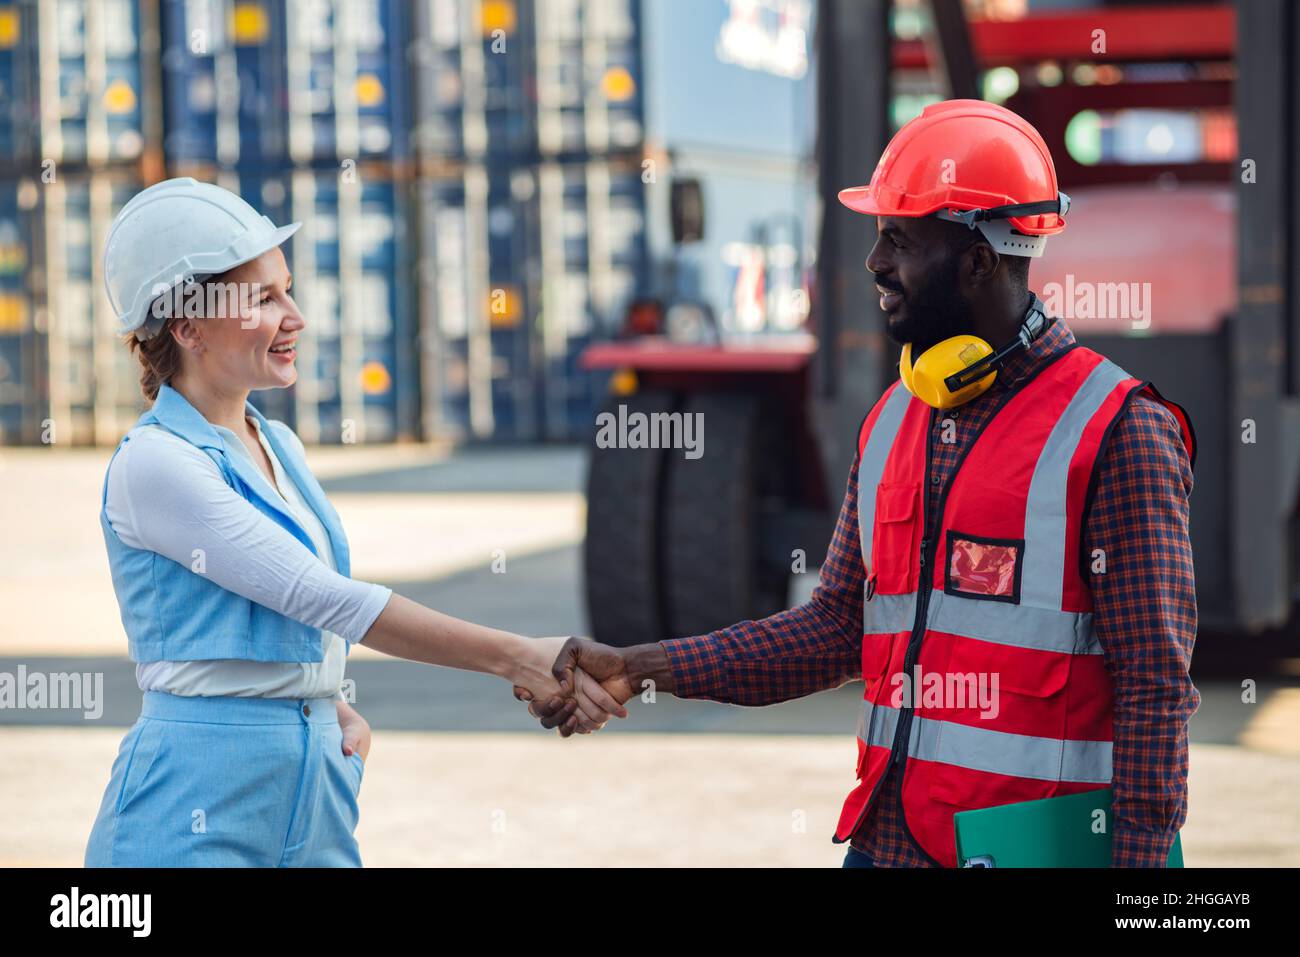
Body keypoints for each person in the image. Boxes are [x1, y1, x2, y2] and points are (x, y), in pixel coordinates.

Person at [525, 101, 1199, 868]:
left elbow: (1155, 684)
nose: (876, 262)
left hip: (1027, 852)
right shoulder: (893, 421)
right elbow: (837, 629)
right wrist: (643, 665)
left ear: (978, 261)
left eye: (899, 240)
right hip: (886, 842)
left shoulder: (1116, 429)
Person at [85, 178, 620, 867]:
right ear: (187, 326)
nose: (296, 316)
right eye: (265, 298)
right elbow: (318, 595)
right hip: (193, 800)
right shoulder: (156, 463)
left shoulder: (277, 444)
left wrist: (317, 699)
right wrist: (518, 655)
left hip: (313, 793)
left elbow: (293, 619)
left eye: (289, 290)